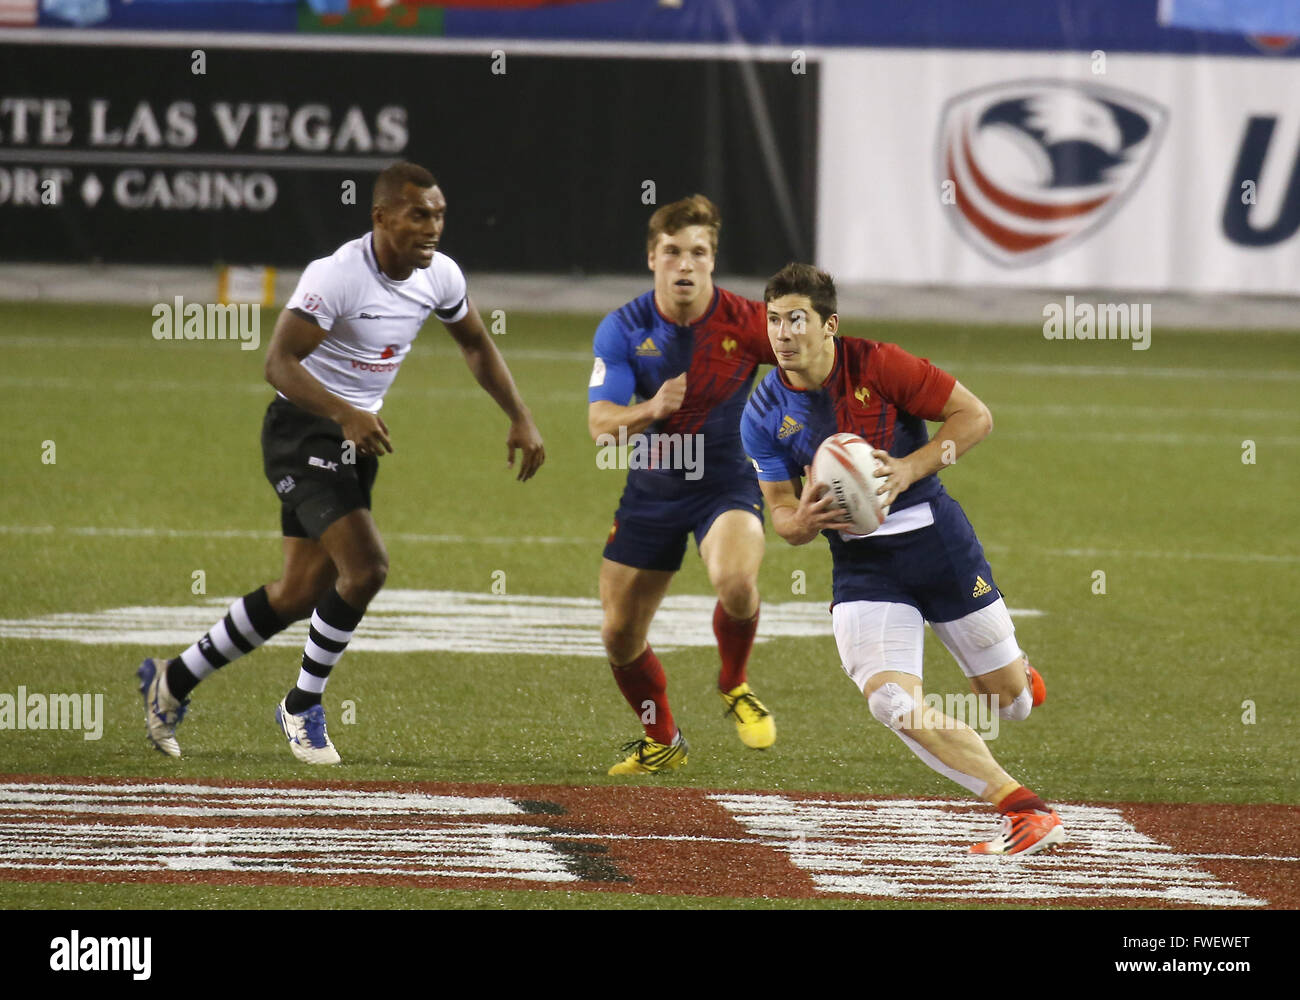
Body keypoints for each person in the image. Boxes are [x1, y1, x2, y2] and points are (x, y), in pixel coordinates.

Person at [137, 160, 546, 764]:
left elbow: (475, 343)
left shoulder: (441, 276)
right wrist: (344, 412)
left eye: (438, 215)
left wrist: (520, 415)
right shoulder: (336, 276)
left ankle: (172, 679)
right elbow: (278, 364)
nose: (432, 227)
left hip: (355, 439)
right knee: (367, 568)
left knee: (298, 592)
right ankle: (301, 706)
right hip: (302, 431)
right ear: (380, 217)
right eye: (418, 215)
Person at [740, 262, 1063, 855]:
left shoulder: (880, 364)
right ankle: (1022, 807)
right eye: (773, 320)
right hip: (864, 568)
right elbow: (781, 515)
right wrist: (804, 523)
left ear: (829, 324)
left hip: (937, 543)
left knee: (1009, 704)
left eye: (797, 320)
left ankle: (1017, 673)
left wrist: (909, 469)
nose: (783, 334)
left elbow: (976, 417)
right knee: (891, 700)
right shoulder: (761, 412)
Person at [588, 194, 778, 775]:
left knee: (737, 581)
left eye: (698, 252)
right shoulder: (623, 329)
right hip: (652, 489)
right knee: (619, 636)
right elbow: (602, 425)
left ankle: (734, 683)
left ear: (713, 260)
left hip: (726, 480)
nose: (685, 265)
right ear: (653, 258)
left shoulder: (749, 323)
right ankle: (663, 739)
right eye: (672, 252)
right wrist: (650, 409)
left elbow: (814, 368)